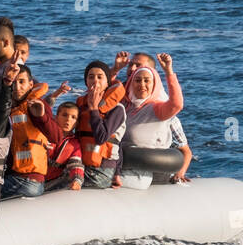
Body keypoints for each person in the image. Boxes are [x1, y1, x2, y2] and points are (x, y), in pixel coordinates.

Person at [119, 55, 187, 183]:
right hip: (125, 165)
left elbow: (176, 105)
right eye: (137, 80)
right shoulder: (125, 107)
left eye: (147, 81)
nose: (142, 84)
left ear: (154, 84)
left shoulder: (158, 109)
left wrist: (169, 72)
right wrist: (115, 69)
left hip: (152, 170)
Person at [1, 63, 59, 198]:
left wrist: (42, 117)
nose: (17, 87)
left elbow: (56, 137)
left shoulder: (36, 105)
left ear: (31, 84)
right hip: (13, 176)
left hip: (29, 181)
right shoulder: (7, 108)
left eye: (22, 81)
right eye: (13, 82)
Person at [76, 60, 128, 189]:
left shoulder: (117, 109)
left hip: (102, 171)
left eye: (100, 77)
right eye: (91, 76)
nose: (95, 80)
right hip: (82, 165)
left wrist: (94, 109)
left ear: (107, 81)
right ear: (86, 81)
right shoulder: (81, 105)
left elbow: (103, 138)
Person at [44, 102, 85, 192]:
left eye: (73, 117)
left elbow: (76, 164)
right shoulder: (44, 133)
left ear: (77, 123)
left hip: (54, 182)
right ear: (56, 117)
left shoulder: (74, 144)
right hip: (34, 178)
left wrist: (77, 180)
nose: (68, 120)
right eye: (64, 115)